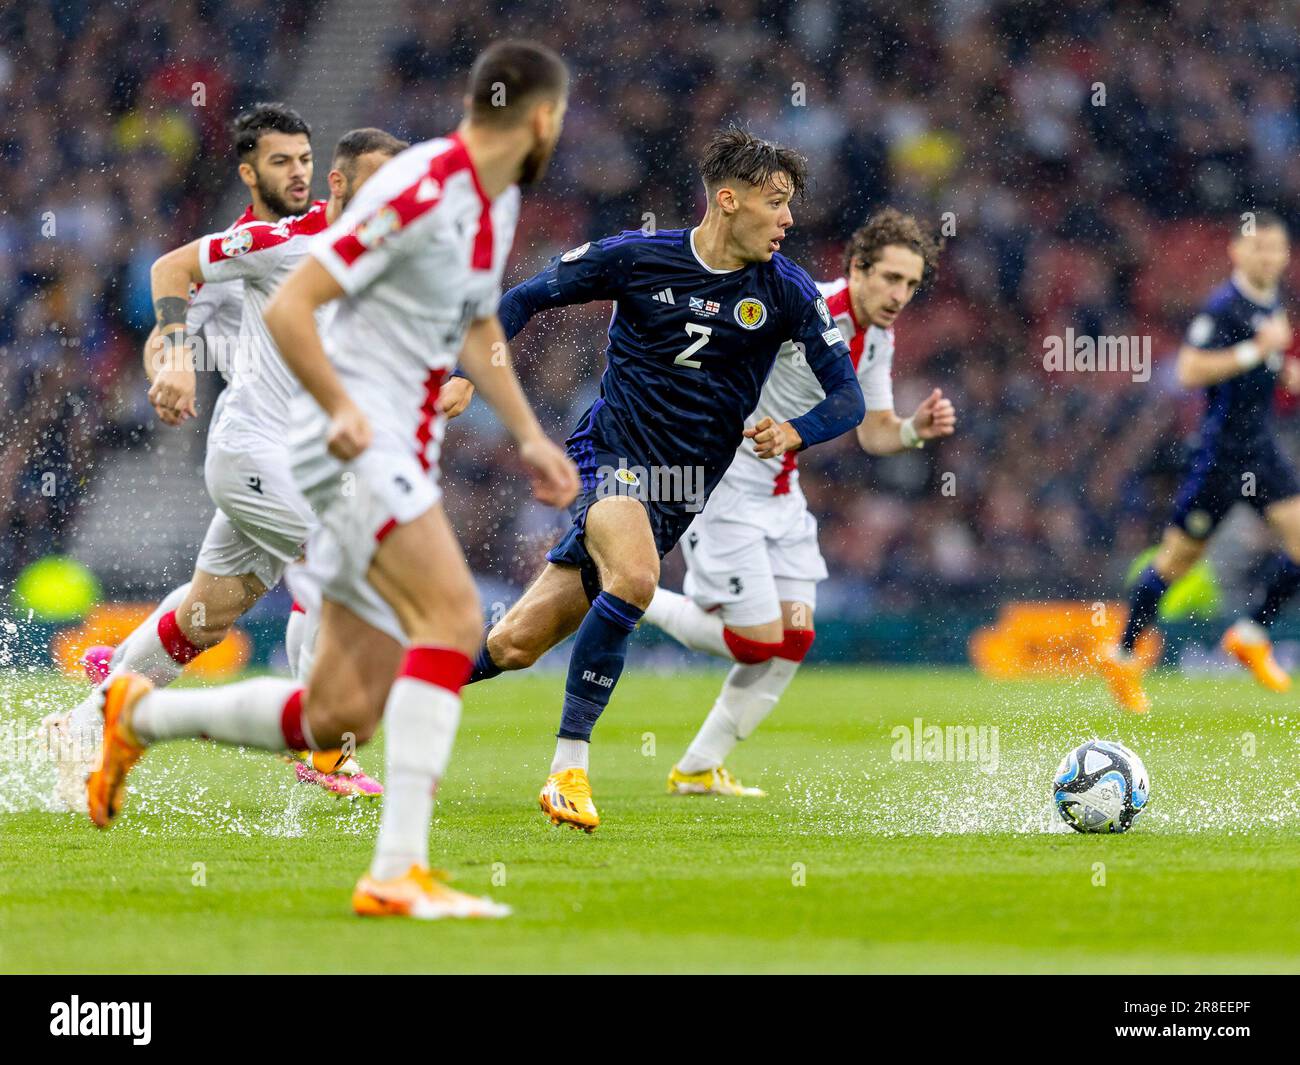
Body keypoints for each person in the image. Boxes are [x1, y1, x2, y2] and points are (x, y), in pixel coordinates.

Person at [87, 41, 577, 921]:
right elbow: (287, 304)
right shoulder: (421, 186)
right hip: (327, 448)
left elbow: (471, 325)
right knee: (453, 615)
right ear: (541, 117)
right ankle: (397, 869)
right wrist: (324, 404)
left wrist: (528, 432)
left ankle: (133, 715)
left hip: (372, 446)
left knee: (331, 702)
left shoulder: (489, 205)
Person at [465, 127, 867, 833]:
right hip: (612, 455)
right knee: (637, 579)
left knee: (513, 645)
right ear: (728, 198)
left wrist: (797, 430)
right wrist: (468, 377)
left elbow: (848, 399)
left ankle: (383, 691)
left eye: (791, 206)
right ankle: (568, 769)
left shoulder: (787, 291)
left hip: (683, 492)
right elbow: (520, 300)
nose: (789, 220)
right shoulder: (636, 257)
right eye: (776, 203)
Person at [643, 208, 953, 795]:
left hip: (781, 491)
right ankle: (630, 594)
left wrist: (915, 430)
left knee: (797, 634)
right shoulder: (803, 308)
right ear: (857, 268)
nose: (900, 295)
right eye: (890, 278)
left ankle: (698, 768)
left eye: (911, 285)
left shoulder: (878, 337)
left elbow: (875, 431)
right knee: (753, 640)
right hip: (725, 481)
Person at [1101, 212, 1300, 713]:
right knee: (1175, 562)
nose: (1269, 257)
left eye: (1277, 249)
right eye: (1259, 248)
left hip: (1261, 450)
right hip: (1222, 456)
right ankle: (1123, 654)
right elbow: (1189, 369)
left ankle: (1251, 632)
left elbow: (1269, 369)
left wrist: (1284, 370)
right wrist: (1258, 350)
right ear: (1236, 252)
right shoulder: (1225, 308)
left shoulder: (1270, 303)